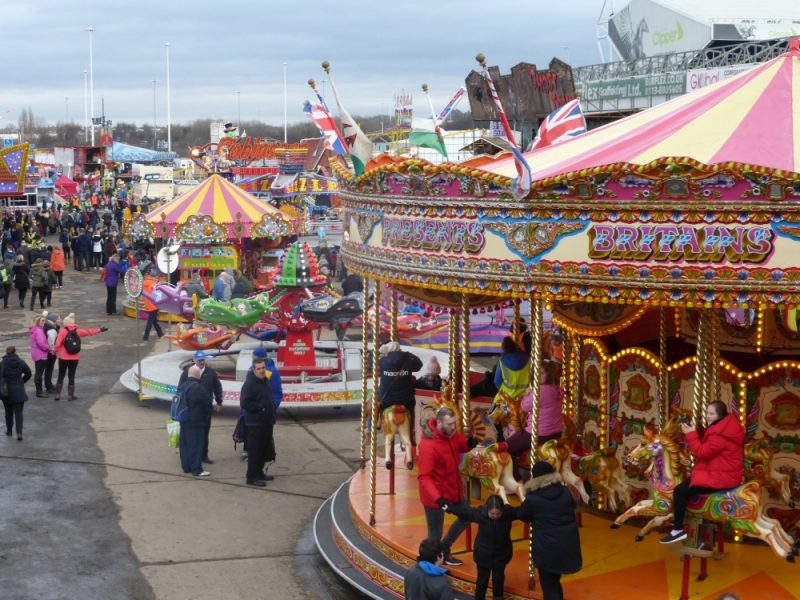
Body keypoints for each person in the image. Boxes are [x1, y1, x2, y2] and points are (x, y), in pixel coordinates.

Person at [660, 400, 744, 544]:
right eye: (707, 413)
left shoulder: (720, 434)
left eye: (711, 413)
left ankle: (677, 530)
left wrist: (691, 434)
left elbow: (702, 452)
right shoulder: (724, 427)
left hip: (721, 477)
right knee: (687, 481)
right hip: (720, 472)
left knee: (679, 490)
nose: (707, 416)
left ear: (720, 415)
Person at [417, 406, 479, 566]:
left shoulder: (451, 434)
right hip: (435, 496)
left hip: (453, 490)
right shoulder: (428, 446)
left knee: (468, 515)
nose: (454, 427)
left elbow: (460, 445)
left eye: (454, 423)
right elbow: (424, 477)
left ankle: (444, 548)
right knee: (435, 533)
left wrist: (469, 443)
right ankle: (430, 563)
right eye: (450, 424)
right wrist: (438, 498)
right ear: (439, 422)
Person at [517, 461, 583, 600]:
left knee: (549, 584)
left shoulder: (533, 498)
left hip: (547, 547)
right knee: (554, 581)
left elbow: (522, 515)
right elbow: (574, 505)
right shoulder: (565, 491)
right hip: (567, 544)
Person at [445, 495, 518, 600]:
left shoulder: (508, 514)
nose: (495, 516)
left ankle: (498, 598)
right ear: (487, 510)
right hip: (483, 555)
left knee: (498, 579)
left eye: (498, 513)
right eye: (492, 513)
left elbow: (523, 512)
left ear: (503, 510)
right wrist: (449, 508)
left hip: (501, 555)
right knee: (482, 581)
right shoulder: (480, 514)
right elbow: (465, 512)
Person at [502, 361, 563, 480]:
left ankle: (516, 481)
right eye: (536, 373)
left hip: (539, 433)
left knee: (507, 447)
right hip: (556, 432)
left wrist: (527, 394)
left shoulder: (539, 391)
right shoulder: (556, 389)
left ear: (548, 375)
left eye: (542, 373)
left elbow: (524, 406)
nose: (538, 376)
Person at [178, 350, 223, 464]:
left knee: (205, 433)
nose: (201, 362)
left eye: (203, 360)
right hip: (191, 410)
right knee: (192, 435)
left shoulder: (211, 372)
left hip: (206, 410)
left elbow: (217, 387)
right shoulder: (187, 372)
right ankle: (191, 457)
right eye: (199, 360)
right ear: (194, 360)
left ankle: (204, 455)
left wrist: (219, 402)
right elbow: (180, 389)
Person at [53, 313, 108, 401]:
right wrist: (100, 329)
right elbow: (89, 332)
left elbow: (57, 344)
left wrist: (54, 352)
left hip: (63, 357)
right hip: (74, 358)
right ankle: (71, 396)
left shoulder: (62, 331)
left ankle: (57, 395)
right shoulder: (77, 331)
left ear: (65, 323)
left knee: (61, 375)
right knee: (71, 375)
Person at [239, 357, 276, 486]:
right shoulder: (250, 384)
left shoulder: (265, 380)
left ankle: (259, 472)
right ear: (254, 370)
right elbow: (244, 403)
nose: (261, 370)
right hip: (255, 424)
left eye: (263, 368)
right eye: (259, 368)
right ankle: (251, 477)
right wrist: (261, 407)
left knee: (263, 449)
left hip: (266, 422)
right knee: (255, 451)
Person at [491, 336, 530, 441]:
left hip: (507, 401)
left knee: (492, 415)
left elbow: (497, 381)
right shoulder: (527, 358)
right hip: (525, 398)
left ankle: (500, 436)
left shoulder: (502, 361)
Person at [178, 365, 213, 478]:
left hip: (183, 419)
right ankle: (197, 469)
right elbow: (208, 401)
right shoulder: (198, 387)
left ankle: (186, 466)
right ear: (198, 375)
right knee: (196, 445)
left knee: (185, 444)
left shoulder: (183, 386)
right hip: (196, 421)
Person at [1, 346, 32, 440]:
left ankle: (9, 431)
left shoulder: (2, 363)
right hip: (19, 390)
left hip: (6, 391)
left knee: (8, 412)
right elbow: (29, 373)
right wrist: (22, 381)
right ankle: (19, 433)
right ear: (15, 352)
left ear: (6, 353)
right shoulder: (21, 362)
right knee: (19, 413)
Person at [28, 315, 50, 398]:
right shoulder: (39, 331)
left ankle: (39, 390)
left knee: (38, 372)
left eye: (44, 320)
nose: (44, 322)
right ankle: (39, 391)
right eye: (42, 321)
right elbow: (41, 343)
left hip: (36, 353)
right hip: (41, 354)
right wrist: (48, 348)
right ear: (38, 322)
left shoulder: (34, 330)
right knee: (39, 374)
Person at [141, 273, 164, 341]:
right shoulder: (153, 283)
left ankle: (160, 333)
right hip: (154, 304)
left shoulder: (143, 283)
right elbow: (158, 293)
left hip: (148, 304)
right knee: (150, 321)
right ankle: (146, 336)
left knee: (154, 321)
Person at [42, 312, 61, 394]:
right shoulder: (52, 329)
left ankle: (49, 384)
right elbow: (51, 342)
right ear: (54, 320)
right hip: (50, 353)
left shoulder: (48, 325)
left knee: (48, 369)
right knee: (49, 369)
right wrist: (53, 351)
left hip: (47, 352)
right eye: (59, 318)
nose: (60, 320)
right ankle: (48, 386)